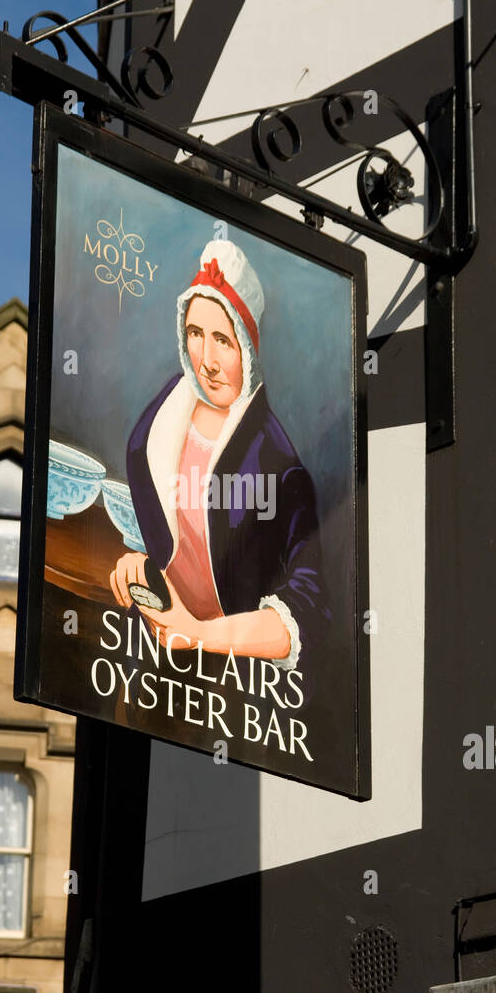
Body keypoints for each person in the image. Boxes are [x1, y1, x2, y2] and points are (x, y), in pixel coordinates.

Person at [109, 238, 330, 674]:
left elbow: (310, 607)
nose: (206, 360)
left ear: (248, 347)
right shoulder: (163, 418)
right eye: (195, 334)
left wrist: (199, 634)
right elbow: (168, 533)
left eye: (222, 341)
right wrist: (140, 562)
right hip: (151, 652)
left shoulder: (280, 469)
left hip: (231, 684)